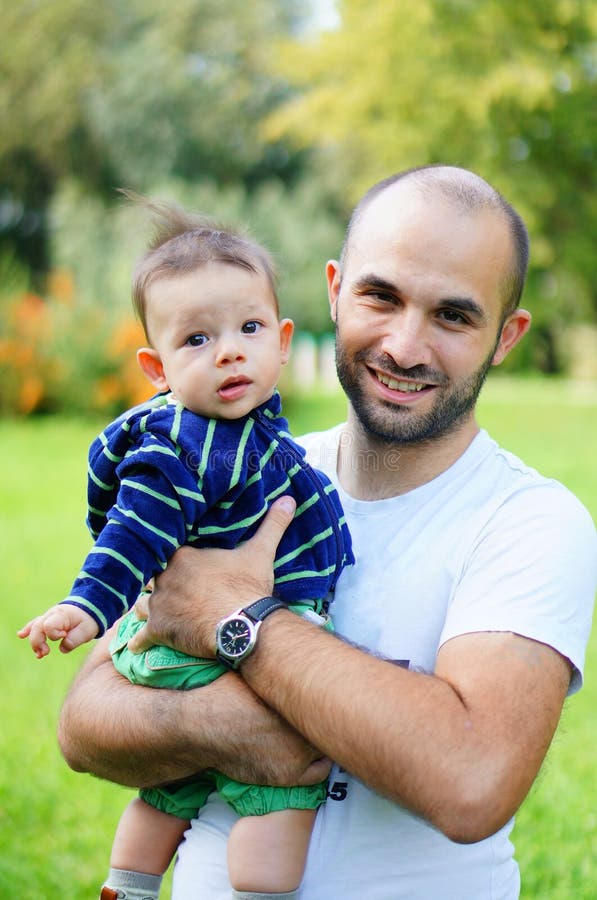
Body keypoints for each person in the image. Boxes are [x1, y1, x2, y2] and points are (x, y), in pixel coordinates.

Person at [58, 166, 597, 900]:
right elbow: (84, 725)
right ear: (336, 290)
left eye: (453, 316)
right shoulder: (236, 472)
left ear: (506, 337)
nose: (405, 346)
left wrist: (234, 616)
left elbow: (470, 783)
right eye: (381, 297)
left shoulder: (530, 521)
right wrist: (272, 724)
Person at [19, 200, 353, 900]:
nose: (228, 351)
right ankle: (260, 889)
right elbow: (132, 533)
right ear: (157, 367)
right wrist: (86, 607)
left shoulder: (252, 432)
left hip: (177, 655)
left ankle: (129, 883)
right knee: (283, 790)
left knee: (169, 789)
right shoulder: (185, 446)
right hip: (203, 651)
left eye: (248, 328)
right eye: (197, 339)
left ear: (282, 341)